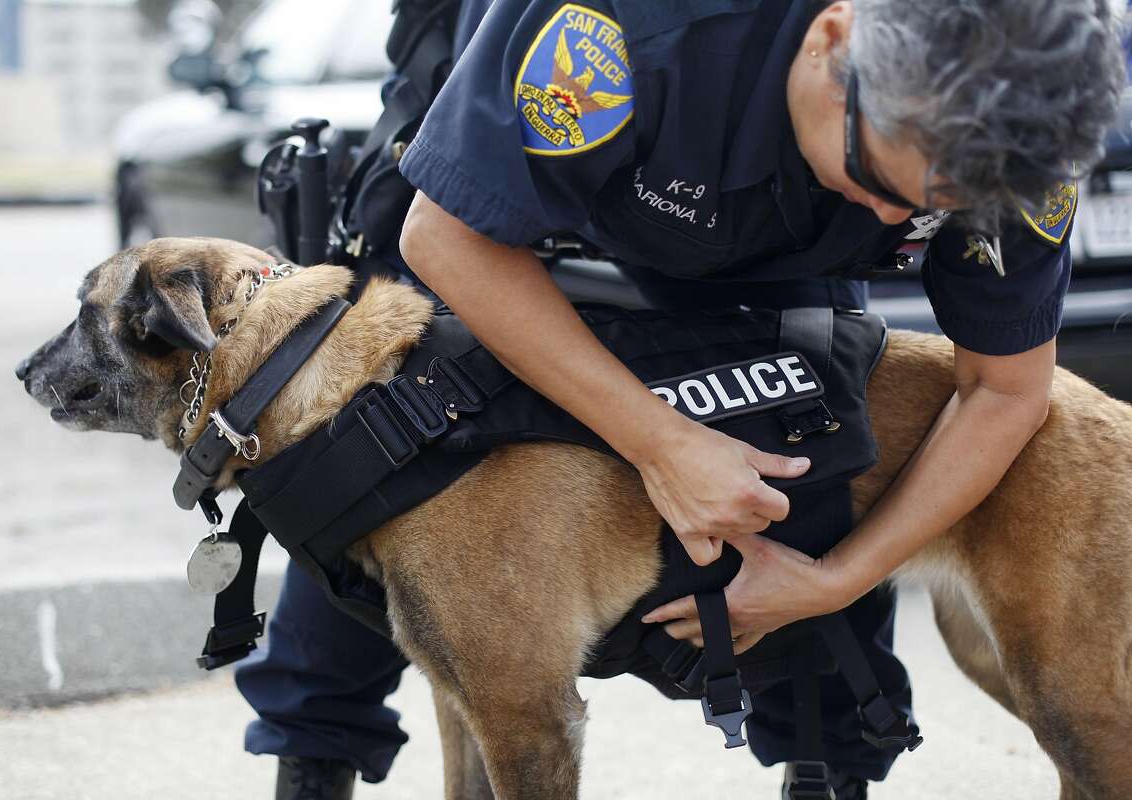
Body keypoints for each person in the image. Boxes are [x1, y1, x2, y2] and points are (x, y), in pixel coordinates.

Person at [237, 1, 1126, 798]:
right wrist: (660, 442)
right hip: (520, 184)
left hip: (774, 235)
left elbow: (1007, 389)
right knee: (391, 452)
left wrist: (832, 580)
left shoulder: (1012, 132)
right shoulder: (614, 34)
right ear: (832, 40)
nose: (897, 225)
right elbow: (446, 236)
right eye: (887, 184)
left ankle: (830, 767)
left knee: (828, 439)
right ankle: (314, 759)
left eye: (934, 212)